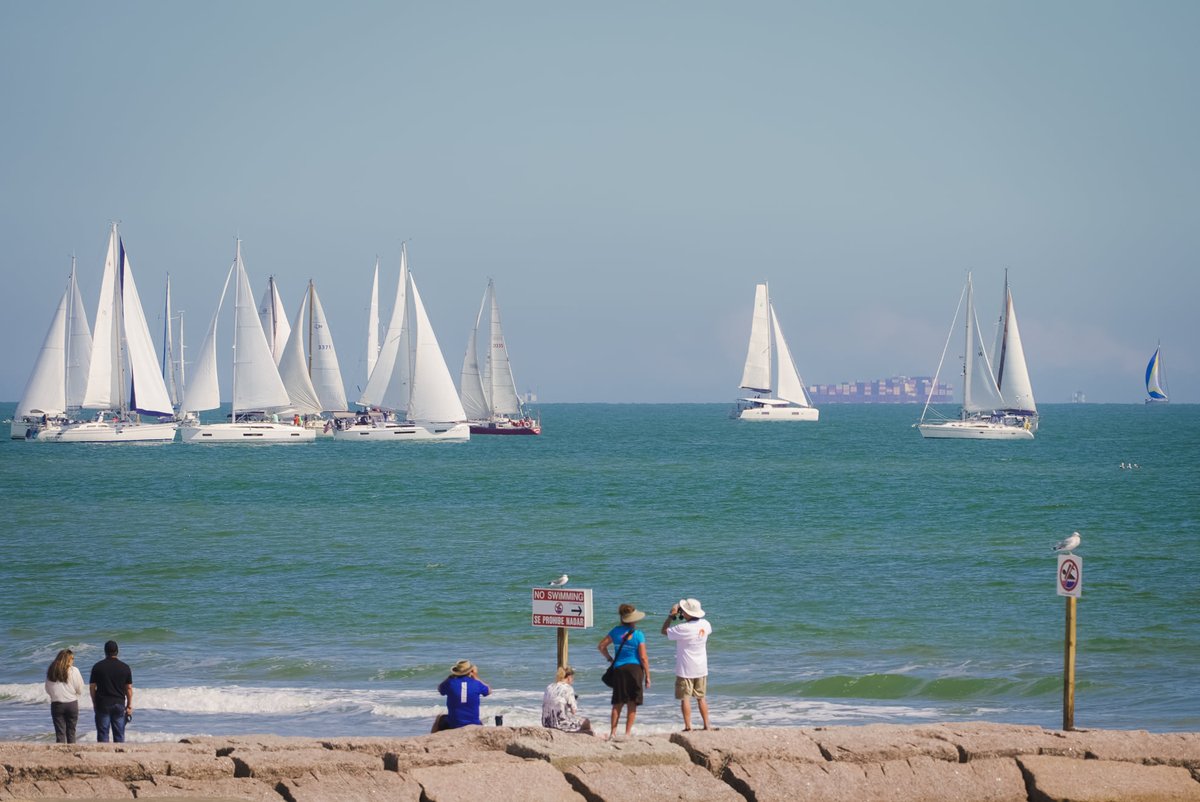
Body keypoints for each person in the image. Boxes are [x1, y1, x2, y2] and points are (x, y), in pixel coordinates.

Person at [597, 603, 650, 739]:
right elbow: (643, 657)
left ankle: (613, 733)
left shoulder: (615, 631)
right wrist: (648, 676)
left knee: (618, 703)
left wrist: (610, 659)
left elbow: (601, 646)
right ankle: (627, 733)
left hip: (619, 669)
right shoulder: (638, 635)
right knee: (632, 703)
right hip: (635, 670)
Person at [661, 597, 713, 731]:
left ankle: (688, 727)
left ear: (688, 613)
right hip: (701, 668)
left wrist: (671, 617)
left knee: (686, 699)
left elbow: (664, 631)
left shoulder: (682, 628)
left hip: (685, 669)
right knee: (701, 698)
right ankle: (707, 725)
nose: (682, 613)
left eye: (683, 611)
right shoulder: (706, 624)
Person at [89, 640, 133, 743]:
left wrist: (94, 702)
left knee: (103, 733)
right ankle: (119, 755)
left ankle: (104, 754)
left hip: (103, 703)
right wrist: (129, 705)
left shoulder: (97, 667)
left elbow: (92, 687)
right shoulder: (125, 667)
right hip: (119, 703)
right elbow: (128, 688)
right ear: (117, 651)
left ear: (105, 651)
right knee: (119, 734)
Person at [432, 659, 490, 732]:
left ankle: (431, 740)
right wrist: (476, 676)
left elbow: (440, 689)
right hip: (473, 724)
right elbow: (489, 691)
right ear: (470, 671)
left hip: (454, 724)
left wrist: (449, 677)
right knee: (479, 720)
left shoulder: (450, 682)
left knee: (439, 717)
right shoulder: (476, 683)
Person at [45, 649, 85, 743]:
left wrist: (55, 696)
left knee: (60, 733)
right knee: (71, 732)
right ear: (68, 659)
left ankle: (60, 755)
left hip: (57, 704)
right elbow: (80, 688)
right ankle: (71, 753)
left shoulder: (51, 670)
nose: (73, 660)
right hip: (71, 704)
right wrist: (76, 693)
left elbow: (47, 688)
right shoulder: (74, 670)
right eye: (72, 658)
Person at [540, 665, 595, 735]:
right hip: (560, 725)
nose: (572, 681)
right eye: (572, 678)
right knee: (586, 722)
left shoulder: (549, 686)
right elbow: (574, 711)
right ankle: (593, 735)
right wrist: (575, 701)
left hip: (546, 723)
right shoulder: (568, 688)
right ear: (569, 677)